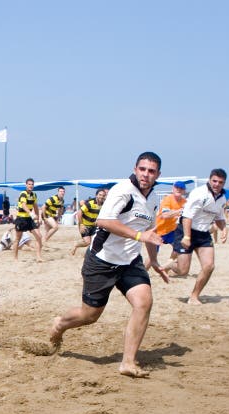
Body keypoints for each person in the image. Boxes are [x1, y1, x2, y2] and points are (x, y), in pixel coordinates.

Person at [49, 152, 169, 378]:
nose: (146, 174)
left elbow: (150, 233)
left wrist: (153, 259)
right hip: (102, 260)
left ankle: (128, 362)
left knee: (144, 302)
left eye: (151, 171)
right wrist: (138, 237)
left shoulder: (152, 199)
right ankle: (60, 324)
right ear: (135, 169)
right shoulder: (123, 190)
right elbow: (104, 221)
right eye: (142, 169)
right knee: (90, 315)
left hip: (130, 262)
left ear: (158, 174)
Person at [164, 169, 228, 305]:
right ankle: (171, 264)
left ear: (224, 183)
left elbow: (219, 217)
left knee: (209, 266)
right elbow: (187, 216)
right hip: (185, 229)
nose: (216, 184)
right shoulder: (199, 193)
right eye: (214, 181)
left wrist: (224, 229)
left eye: (220, 182)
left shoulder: (222, 198)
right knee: (183, 271)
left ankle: (194, 296)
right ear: (209, 180)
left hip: (203, 233)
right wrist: (187, 236)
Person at [145, 181, 186, 269]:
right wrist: (179, 211)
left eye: (181, 188)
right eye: (177, 187)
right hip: (159, 230)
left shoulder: (185, 202)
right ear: (173, 189)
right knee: (152, 255)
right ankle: (143, 272)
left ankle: (167, 265)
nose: (179, 190)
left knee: (178, 248)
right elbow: (165, 215)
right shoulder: (168, 199)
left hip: (171, 231)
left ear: (184, 191)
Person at [12, 178, 43, 261]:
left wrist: (38, 218)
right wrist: (31, 213)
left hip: (30, 219)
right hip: (21, 219)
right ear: (26, 185)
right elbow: (24, 205)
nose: (31, 186)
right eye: (29, 184)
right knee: (18, 239)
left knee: (39, 236)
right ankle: (15, 258)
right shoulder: (23, 194)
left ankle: (39, 257)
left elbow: (36, 207)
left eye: (32, 184)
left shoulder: (34, 195)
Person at [70, 188, 108, 255]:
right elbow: (79, 213)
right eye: (100, 195)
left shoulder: (104, 205)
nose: (101, 197)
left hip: (94, 226)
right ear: (96, 195)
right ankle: (76, 245)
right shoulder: (90, 203)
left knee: (95, 241)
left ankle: (89, 255)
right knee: (87, 242)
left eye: (103, 195)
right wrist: (81, 225)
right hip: (85, 225)